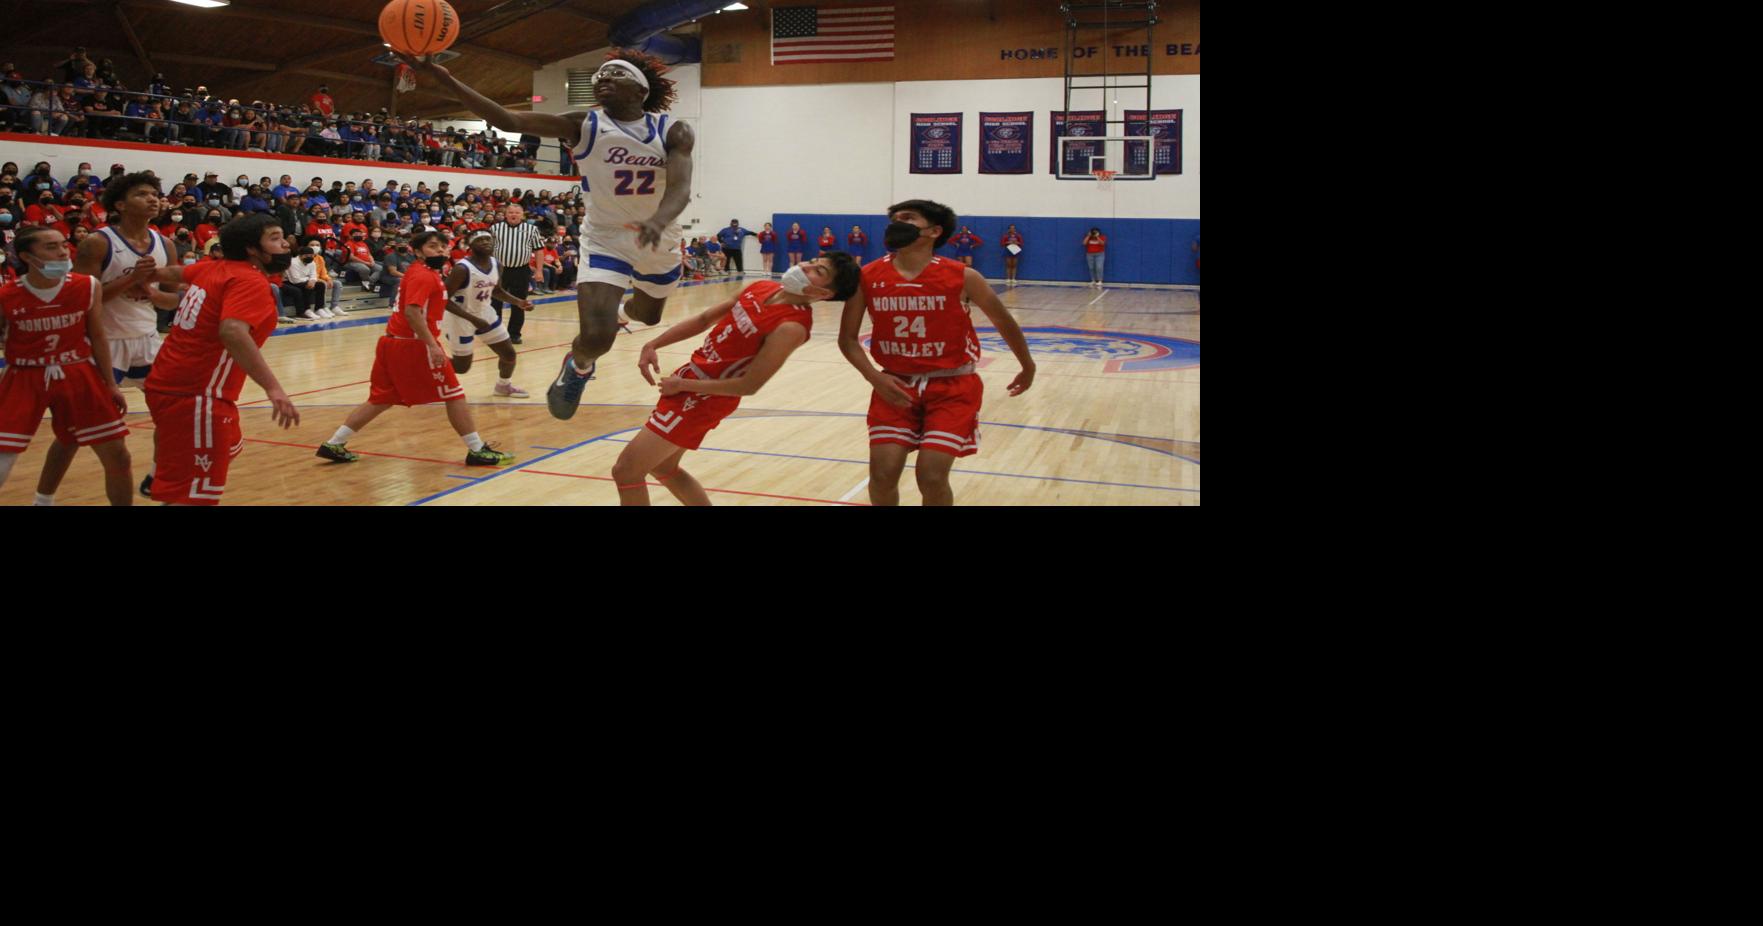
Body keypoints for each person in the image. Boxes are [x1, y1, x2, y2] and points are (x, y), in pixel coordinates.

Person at [398, 49, 692, 420]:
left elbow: (680, 188)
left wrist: (658, 220)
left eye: (615, 73)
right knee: (598, 338)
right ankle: (579, 367)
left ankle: (621, 311)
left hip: (658, 236)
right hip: (604, 237)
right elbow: (506, 119)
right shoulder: (584, 124)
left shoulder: (673, 130)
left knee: (647, 316)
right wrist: (441, 75)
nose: (602, 79)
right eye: (599, 75)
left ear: (639, 90)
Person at [613, 253, 861, 506]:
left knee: (626, 470)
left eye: (818, 271)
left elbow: (749, 385)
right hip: (691, 378)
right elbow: (704, 319)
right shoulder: (761, 286)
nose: (805, 266)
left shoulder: (792, 326)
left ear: (823, 293)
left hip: (705, 398)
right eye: (812, 262)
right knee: (664, 467)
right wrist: (654, 343)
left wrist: (684, 385)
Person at [837, 199, 1037, 507]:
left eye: (908, 218)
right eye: (894, 218)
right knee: (882, 474)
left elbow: (1003, 320)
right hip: (894, 385)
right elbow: (848, 339)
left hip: (952, 386)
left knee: (930, 476)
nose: (897, 223)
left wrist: (1027, 365)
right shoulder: (868, 276)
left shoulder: (963, 276)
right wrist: (875, 378)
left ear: (934, 231)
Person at [135, 213, 302, 505]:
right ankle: (169, 481)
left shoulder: (213, 268)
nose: (285, 244)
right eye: (275, 238)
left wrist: (146, 278)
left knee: (225, 449)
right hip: (197, 393)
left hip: (170, 383)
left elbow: (172, 274)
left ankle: (163, 477)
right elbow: (233, 332)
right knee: (195, 495)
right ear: (252, 248)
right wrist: (273, 388)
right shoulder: (248, 280)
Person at [35, 172, 180, 500]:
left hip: (147, 340)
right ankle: (42, 498)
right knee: (73, 432)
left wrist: (154, 295)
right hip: (104, 343)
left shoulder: (165, 244)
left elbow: (174, 298)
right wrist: (132, 280)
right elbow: (82, 299)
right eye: (143, 194)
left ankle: (156, 477)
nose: (153, 198)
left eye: (155, 193)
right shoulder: (98, 242)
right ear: (119, 204)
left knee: (172, 415)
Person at [314, 231, 516, 467]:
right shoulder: (424, 276)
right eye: (432, 246)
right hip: (413, 344)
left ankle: (335, 443)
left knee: (381, 398)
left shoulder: (421, 272)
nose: (440, 250)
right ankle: (476, 449)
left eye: (443, 246)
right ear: (418, 251)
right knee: (454, 394)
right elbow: (412, 312)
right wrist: (432, 345)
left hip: (392, 342)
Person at [0, 226, 134, 506]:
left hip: (77, 370)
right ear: (26, 255)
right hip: (24, 374)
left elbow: (97, 335)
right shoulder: (7, 295)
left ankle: (43, 501)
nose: (62, 251)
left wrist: (110, 384)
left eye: (63, 244)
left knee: (117, 454)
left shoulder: (87, 286)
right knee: (3, 460)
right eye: (51, 247)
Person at [441, 230, 532, 398]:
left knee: (509, 354)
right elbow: (443, 300)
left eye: (488, 239)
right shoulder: (462, 268)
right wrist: (472, 319)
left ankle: (503, 386)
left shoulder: (497, 264)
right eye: (480, 240)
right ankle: (424, 368)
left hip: (484, 312)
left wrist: (518, 302)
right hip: (459, 318)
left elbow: (497, 291)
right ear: (470, 245)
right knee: (462, 367)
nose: (485, 242)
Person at [486, 202, 541, 344]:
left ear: (522, 215)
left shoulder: (531, 229)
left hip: (521, 271)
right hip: (499, 271)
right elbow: (488, 249)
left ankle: (514, 334)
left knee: (519, 303)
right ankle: (495, 333)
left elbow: (539, 250)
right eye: (510, 212)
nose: (513, 215)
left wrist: (539, 270)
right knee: (494, 302)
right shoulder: (495, 228)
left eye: (517, 213)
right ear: (506, 214)